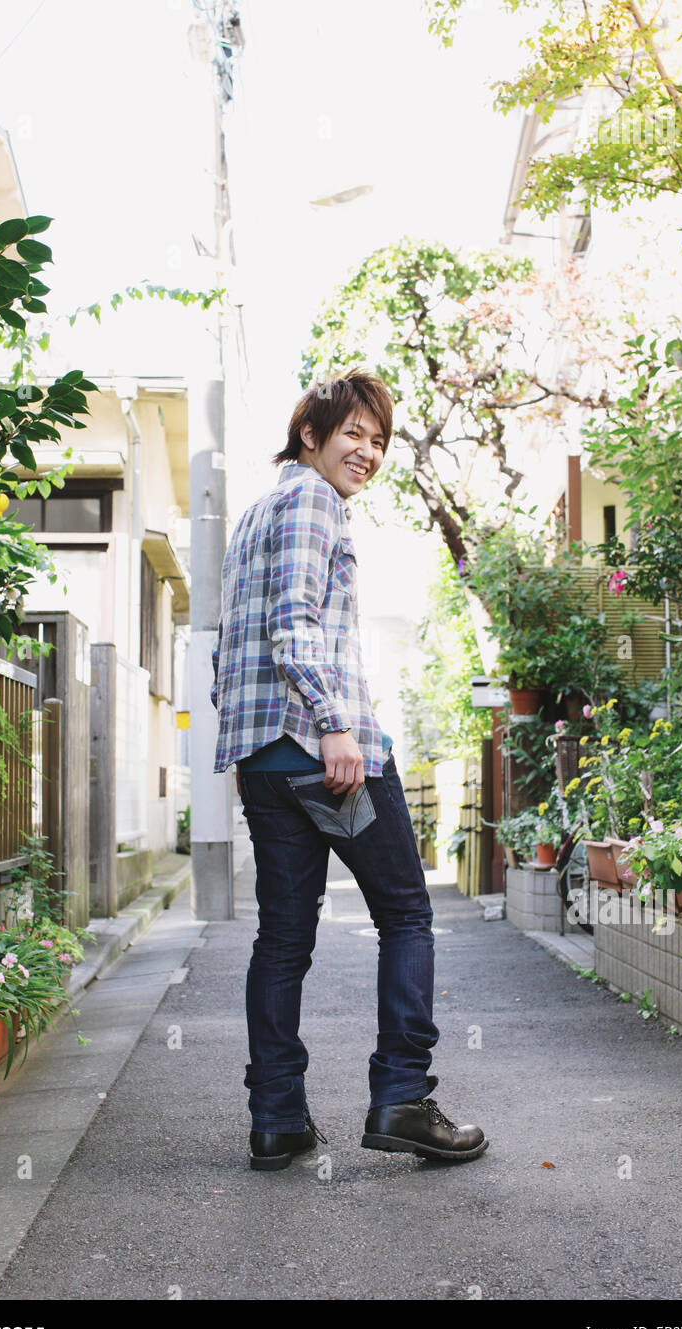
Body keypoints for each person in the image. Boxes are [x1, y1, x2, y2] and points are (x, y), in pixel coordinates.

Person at [210, 369, 489, 1171]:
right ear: (312, 436)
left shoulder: (256, 514)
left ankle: (277, 1117)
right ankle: (402, 1096)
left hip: (266, 760)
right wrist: (336, 727)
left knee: (284, 938)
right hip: (325, 755)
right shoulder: (311, 503)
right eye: (352, 435)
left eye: (378, 439)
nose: (366, 452)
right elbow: (293, 627)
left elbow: (237, 643)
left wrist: (257, 752)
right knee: (405, 914)